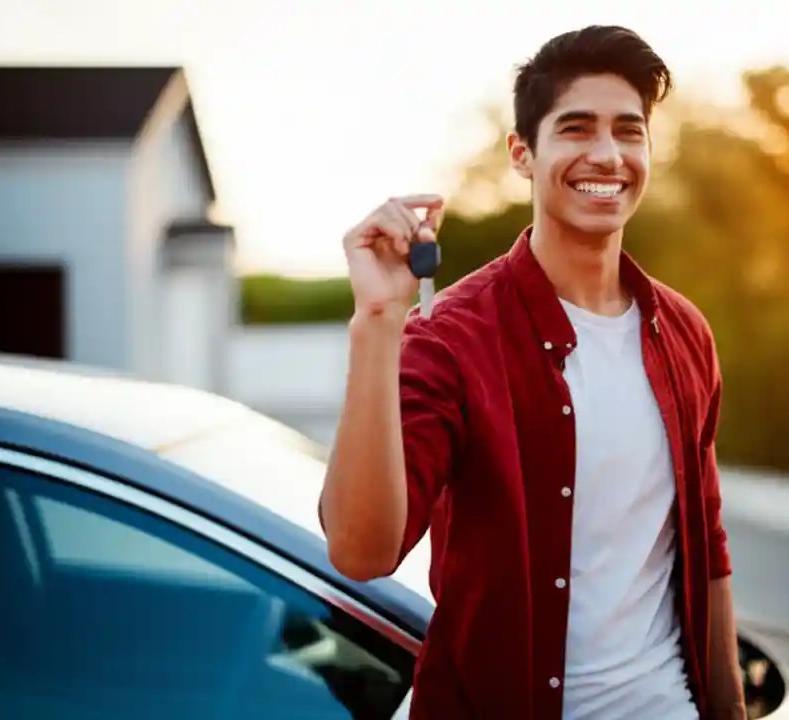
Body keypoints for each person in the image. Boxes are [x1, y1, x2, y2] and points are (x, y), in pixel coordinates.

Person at [319, 24, 746, 720]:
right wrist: (377, 324)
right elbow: (361, 552)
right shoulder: (451, 339)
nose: (607, 155)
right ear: (523, 152)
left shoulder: (684, 334)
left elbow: (707, 547)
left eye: (628, 131)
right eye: (576, 129)